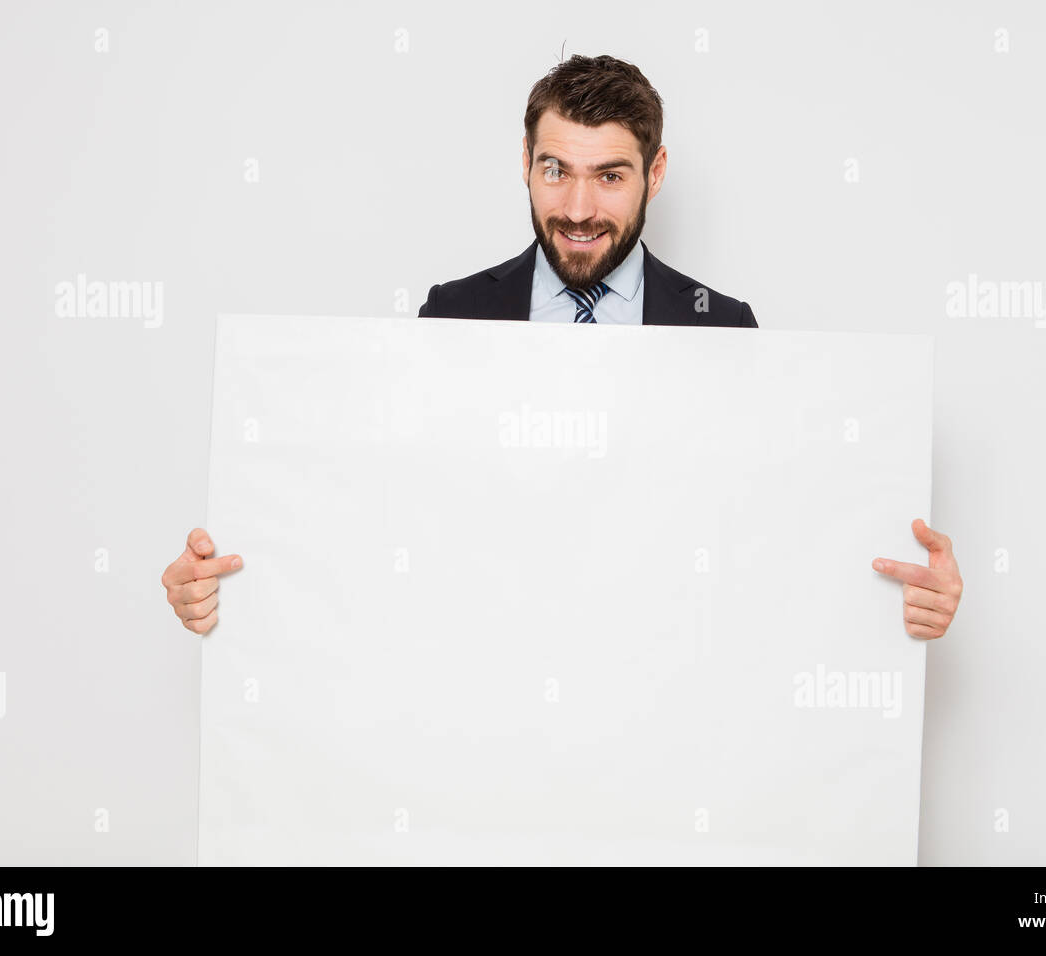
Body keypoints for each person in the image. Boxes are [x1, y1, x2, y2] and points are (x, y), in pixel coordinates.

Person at [162, 54, 963, 639]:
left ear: (655, 175)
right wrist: (237, 580)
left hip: (666, 691)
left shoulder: (723, 326)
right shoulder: (453, 316)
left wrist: (903, 599)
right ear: (524, 164)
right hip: (484, 685)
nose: (579, 208)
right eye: (556, 170)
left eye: (610, 176)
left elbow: (771, 537)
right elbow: (382, 518)